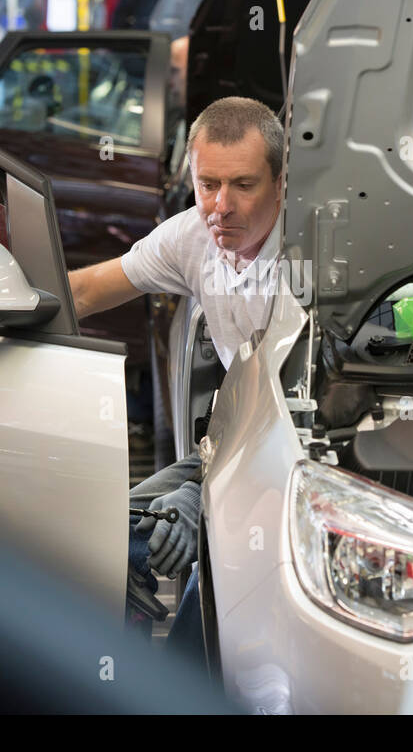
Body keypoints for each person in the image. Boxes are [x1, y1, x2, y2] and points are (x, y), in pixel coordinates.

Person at [67, 96, 285, 657]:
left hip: (294, 456)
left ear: (282, 182)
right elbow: (88, 290)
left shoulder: (313, 252)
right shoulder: (193, 235)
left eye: (243, 184)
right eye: (207, 183)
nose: (221, 206)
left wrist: (202, 498)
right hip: (231, 442)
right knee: (109, 539)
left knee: (200, 636)